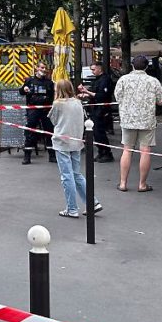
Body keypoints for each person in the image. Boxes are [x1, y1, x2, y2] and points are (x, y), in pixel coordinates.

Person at [50, 79, 102, 218]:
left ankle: (72, 208)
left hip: (62, 141)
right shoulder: (78, 103)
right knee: (76, 174)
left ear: (58, 90)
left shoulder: (58, 104)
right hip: (76, 140)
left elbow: (53, 120)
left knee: (67, 176)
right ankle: (92, 202)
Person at [114, 56, 162, 192]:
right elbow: (161, 101)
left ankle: (123, 183)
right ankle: (142, 184)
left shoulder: (123, 80)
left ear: (132, 65)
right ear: (147, 67)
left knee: (127, 149)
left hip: (128, 120)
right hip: (147, 120)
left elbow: (118, 98)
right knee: (145, 151)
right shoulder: (153, 81)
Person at [76, 63, 115, 162]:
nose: (92, 72)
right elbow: (93, 93)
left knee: (100, 131)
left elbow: (101, 95)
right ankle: (101, 152)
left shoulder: (105, 80)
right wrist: (85, 94)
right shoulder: (97, 80)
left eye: (93, 69)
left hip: (102, 109)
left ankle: (107, 153)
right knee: (96, 132)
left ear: (99, 69)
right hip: (95, 108)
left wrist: (86, 92)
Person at [19, 62, 55, 164]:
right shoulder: (30, 81)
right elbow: (21, 92)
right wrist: (24, 89)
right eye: (42, 68)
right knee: (30, 133)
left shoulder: (49, 82)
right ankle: (27, 157)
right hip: (33, 110)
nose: (44, 70)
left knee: (49, 132)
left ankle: (52, 155)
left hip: (45, 111)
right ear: (37, 68)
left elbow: (52, 97)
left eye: (45, 68)